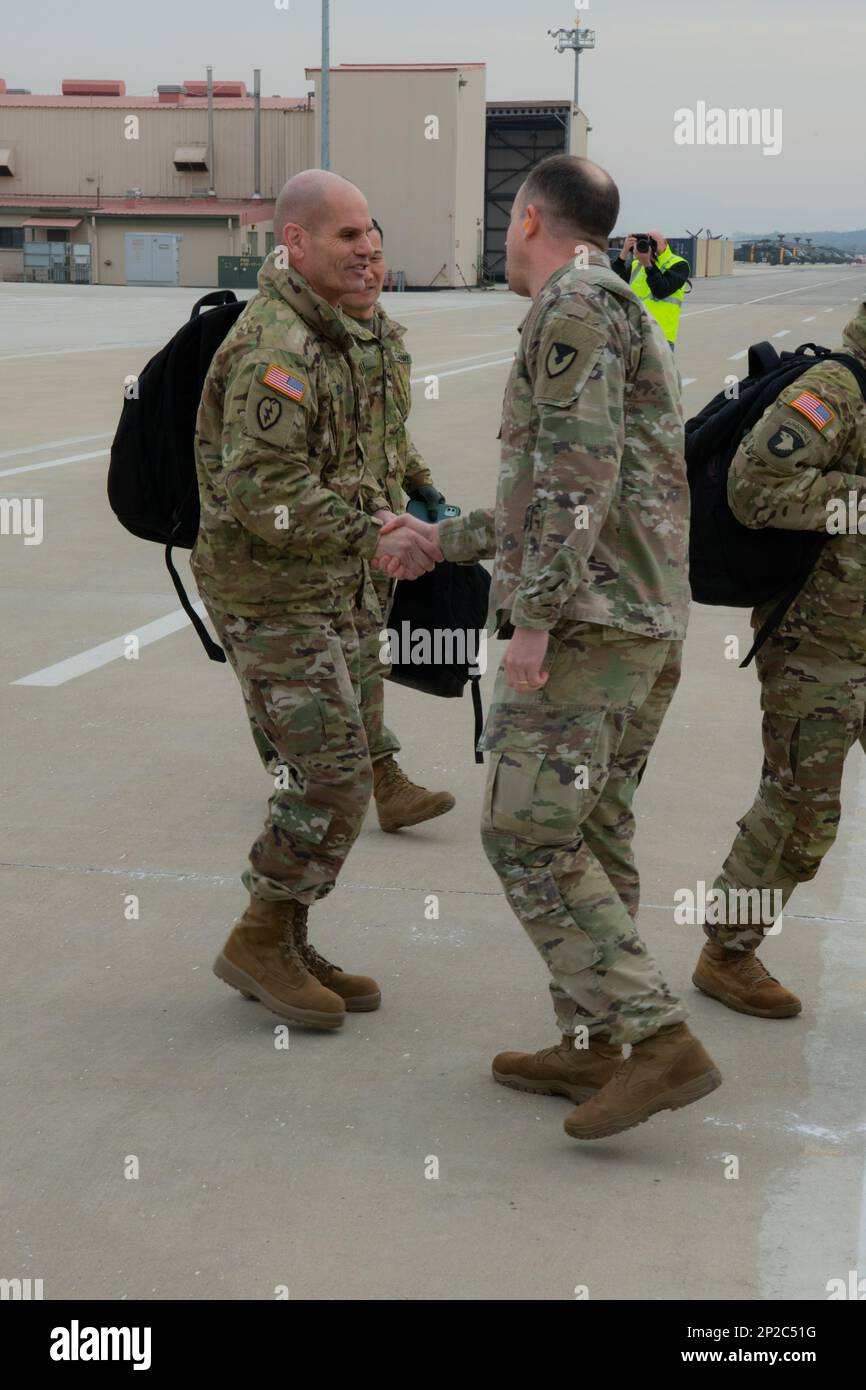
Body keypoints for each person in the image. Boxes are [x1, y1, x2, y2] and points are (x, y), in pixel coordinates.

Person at [382, 154, 721, 1141]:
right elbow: (558, 489)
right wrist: (440, 540)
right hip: (640, 618)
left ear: (529, 216)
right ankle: (588, 1048)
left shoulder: (571, 307)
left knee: (525, 835)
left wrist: (532, 620)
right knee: (594, 828)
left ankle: (654, 1037)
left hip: (586, 626)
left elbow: (576, 479)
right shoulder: (610, 302)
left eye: (506, 221)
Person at [192, 169, 442, 1031]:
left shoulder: (364, 335)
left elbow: (383, 439)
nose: (369, 248)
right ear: (294, 244)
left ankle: (287, 935)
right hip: (271, 593)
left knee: (330, 769)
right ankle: (260, 935)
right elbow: (264, 488)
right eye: (346, 236)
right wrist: (370, 534)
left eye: (372, 232)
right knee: (334, 774)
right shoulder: (278, 348)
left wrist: (424, 498)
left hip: (341, 589)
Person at [692, 302, 866, 1018]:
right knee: (800, 814)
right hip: (820, 648)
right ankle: (728, 951)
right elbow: (754, 491)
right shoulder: (833, 392)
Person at [612, 232, 690, 349]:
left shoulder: (678, 264)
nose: (650, 246)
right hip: (634, 335)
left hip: (661, 336)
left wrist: (648, 264)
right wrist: (623, 253)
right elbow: (612, 283)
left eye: (654, 242)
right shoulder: (636, 265)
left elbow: (661, 290)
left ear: (665, 243)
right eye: (648, 242)